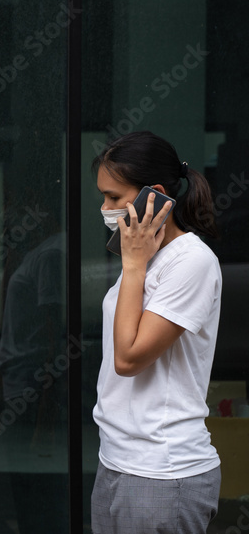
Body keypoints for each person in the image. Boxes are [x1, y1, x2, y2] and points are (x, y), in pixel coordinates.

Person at [90, 131, 222, 533]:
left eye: (114, 197)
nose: (105, 207)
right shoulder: (149, 256)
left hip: (162, 472)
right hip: (116, 461)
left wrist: (133, 266)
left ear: (155, 195)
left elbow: (128, 358)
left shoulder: (190, 262)